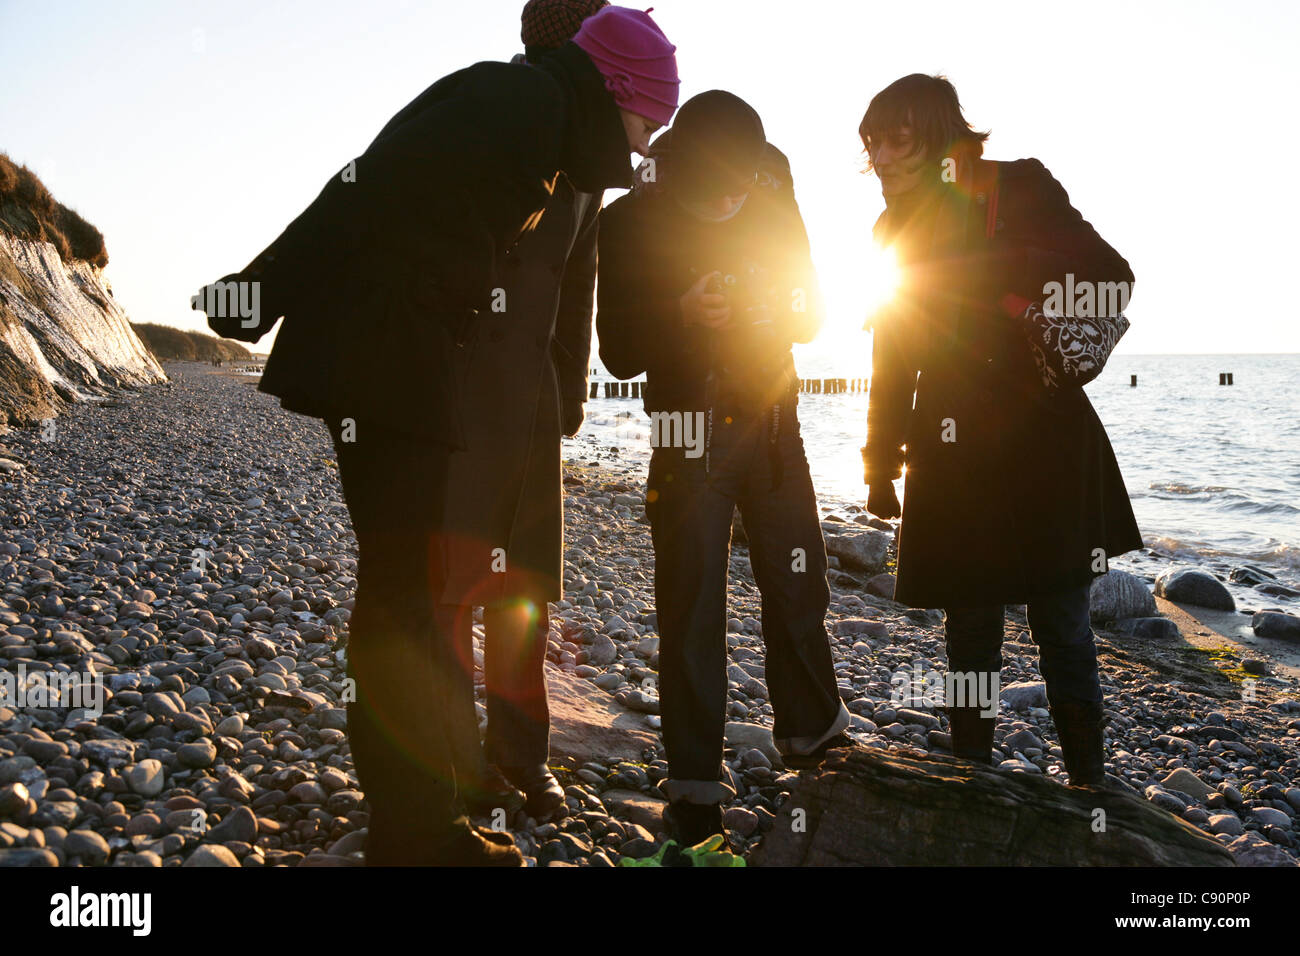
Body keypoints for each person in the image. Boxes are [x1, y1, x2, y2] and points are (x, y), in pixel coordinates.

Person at [193, 5, 679, 864]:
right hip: (385, 367)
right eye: (649, 123)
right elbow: (365, 186)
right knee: (402, 606)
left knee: (402, 601)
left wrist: (263, 290)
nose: (644, 148)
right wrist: (259, 291)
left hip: (399, 365)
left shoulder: (536, 120)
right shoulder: (517, 106)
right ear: (616, 90)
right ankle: (418, 833)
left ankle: (416, 823)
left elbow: (391, 200)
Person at [858, 74, 1141, 786]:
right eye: (871, 142)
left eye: (898, 138)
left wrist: (1000, 267)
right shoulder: (892, 230)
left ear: (943, 135)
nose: (882, 157)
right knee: (970, 637)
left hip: (1045, 437)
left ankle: (1089, 790)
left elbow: (1111, 274)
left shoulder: (1018, 188)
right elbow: (892, 347)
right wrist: (878, 459)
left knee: (1064, 632)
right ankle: (971, 780)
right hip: (950, 451)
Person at [597, 91, 851, 848]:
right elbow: (617, 351)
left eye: (744, 187)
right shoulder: (630, 217)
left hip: (773, 422)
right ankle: (695, 791)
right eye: (720, 194)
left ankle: (811, 738)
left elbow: (811, 313)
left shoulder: (773, 179)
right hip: (684, 430)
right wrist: (681, 312)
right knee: (692, 603)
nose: (735, 200)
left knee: (798, 583)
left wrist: (771, 304)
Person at [439, 0, 634, 823]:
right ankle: (450, 758)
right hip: (456, 379)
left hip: (534, 389)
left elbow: (580, 273)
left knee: (526, 581)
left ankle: (520, 756)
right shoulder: (496, 114)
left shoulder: (592, 147)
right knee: (448, 576)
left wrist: (571, 385)